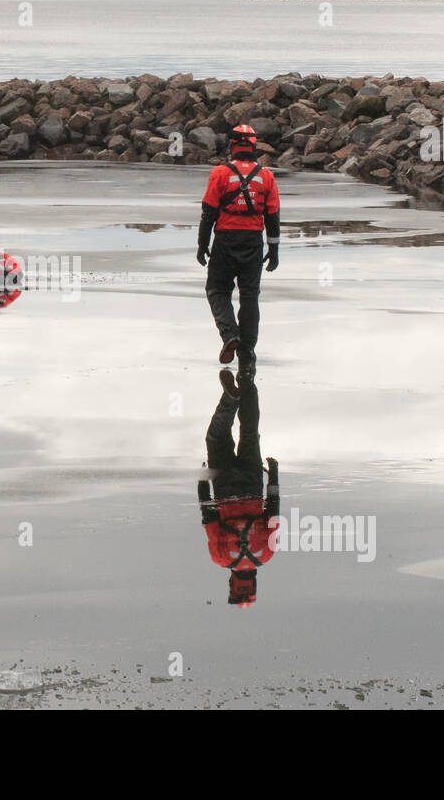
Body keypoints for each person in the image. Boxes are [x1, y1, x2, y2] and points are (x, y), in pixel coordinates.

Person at [197, 124, 280, 375]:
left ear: (232, 145)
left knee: (216, 290)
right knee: (249, 296)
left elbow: (208, 213)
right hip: (253, 243)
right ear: (253, 147)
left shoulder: (220, 173)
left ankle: (230, 334)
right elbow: (273, 217)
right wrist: (274, 250)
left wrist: (202, 244)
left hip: (225, 240)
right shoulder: (267, 177)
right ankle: (248, 350)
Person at [197, 369, 280, 607]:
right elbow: (208, 515)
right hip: (224, 489)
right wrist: (203, 480)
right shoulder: (220, 558)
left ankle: (248, 382)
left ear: (254, 583)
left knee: (250, 432)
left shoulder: (267, 553)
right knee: (216, 438)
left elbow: (273, 508)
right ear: (234, 584)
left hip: (253, 485)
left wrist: (273, 475)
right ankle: (230, 399)